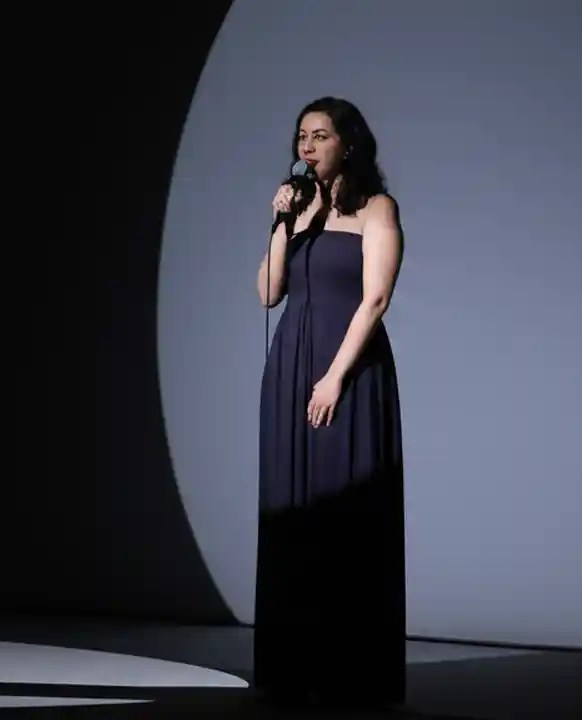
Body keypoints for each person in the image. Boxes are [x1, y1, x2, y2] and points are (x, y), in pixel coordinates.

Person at [253, 96, 406, 708]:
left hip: (350, 371)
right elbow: (268, 294)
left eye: (319, 135)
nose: (307, 146)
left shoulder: (378, 208)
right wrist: (279, 224)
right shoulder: (300, 212)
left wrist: (335, 377)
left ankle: (353, 672)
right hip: (290, 367)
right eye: (301, 137)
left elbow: (375, 300)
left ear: (348, 143)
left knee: (347, 520)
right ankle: (292, 667)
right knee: (294, 512)